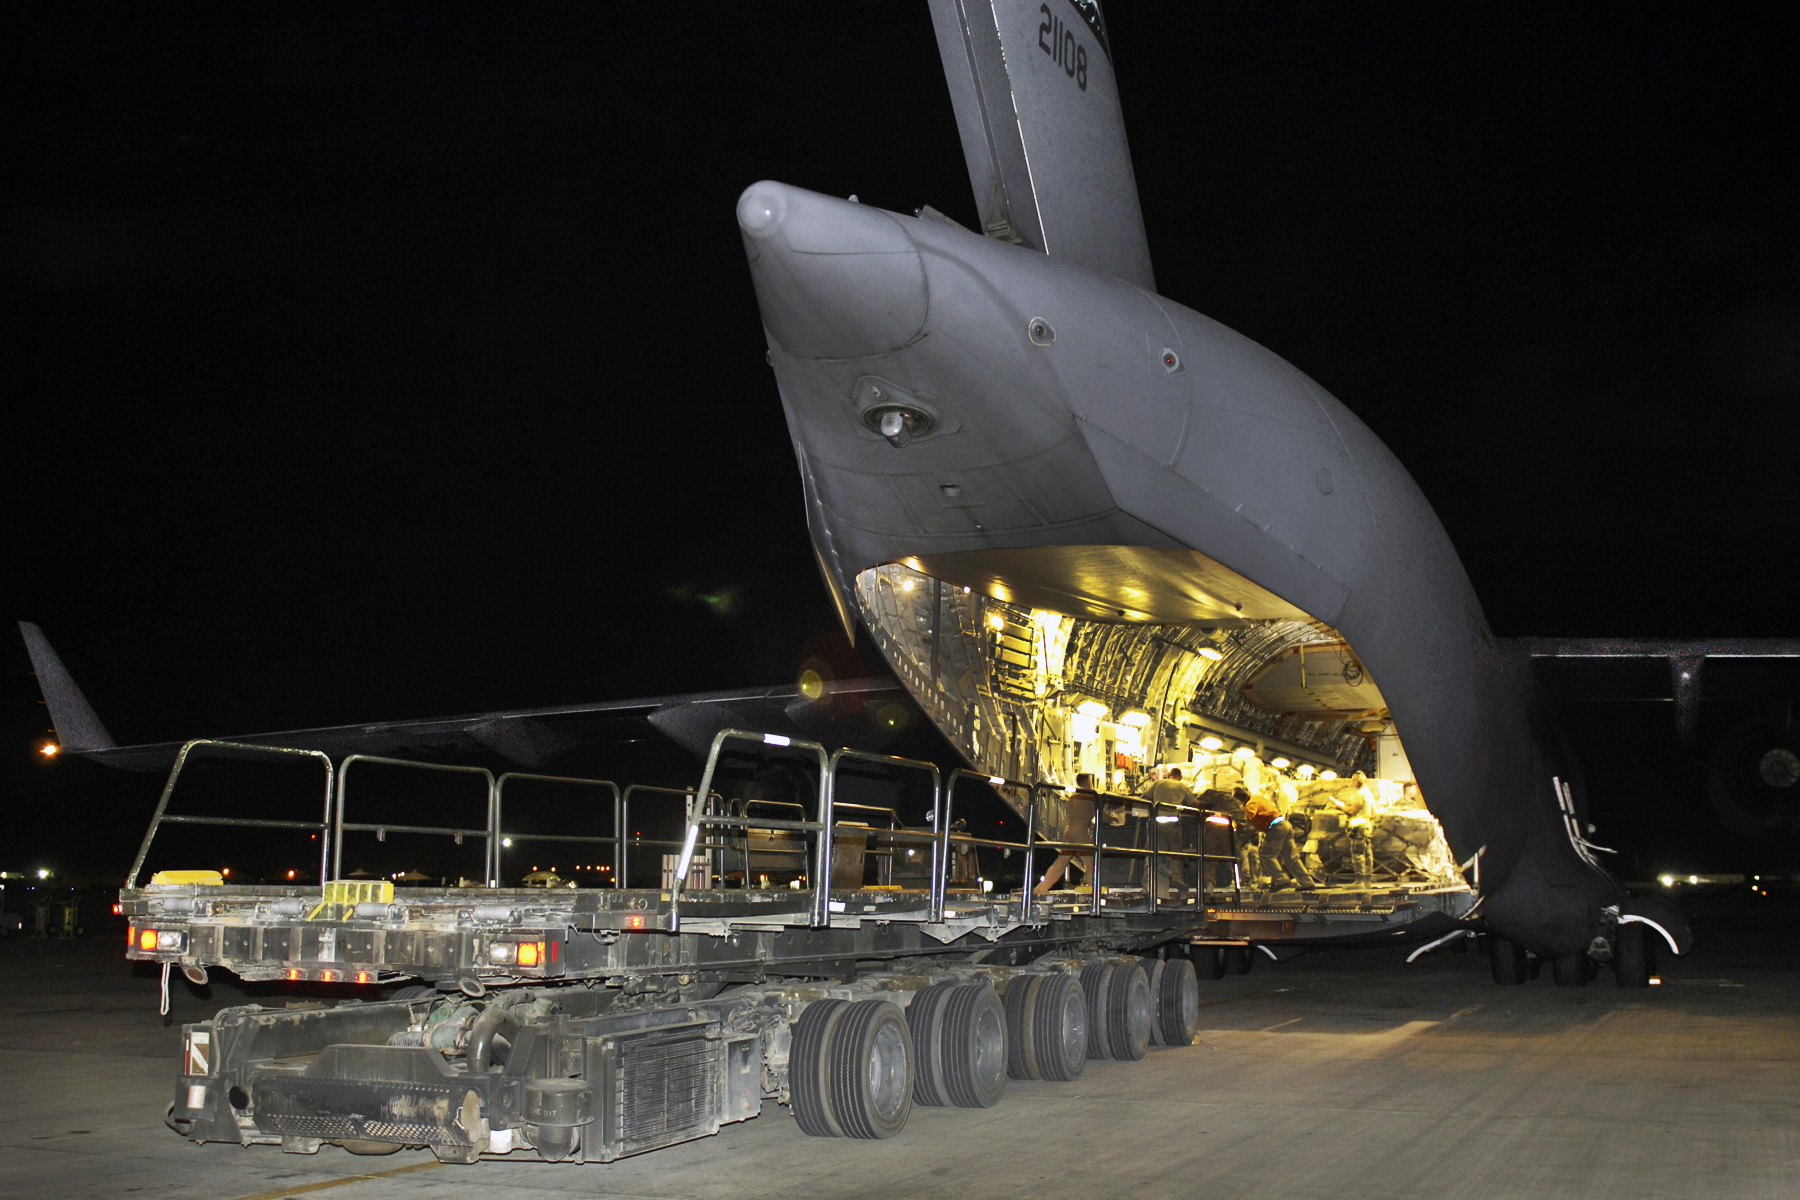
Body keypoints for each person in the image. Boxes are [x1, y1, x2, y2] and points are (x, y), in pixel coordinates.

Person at [1033, 773, 1100, 893]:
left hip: (1069, 831)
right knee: (1091, 864)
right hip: (1081, 832)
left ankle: (1041, 888)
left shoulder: (1072, 797)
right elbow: (1101, 815)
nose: (1091, 784)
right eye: (1090, 782)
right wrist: (1116, 818)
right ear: (1086, 783)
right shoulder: (1090, 796)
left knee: (1061, 862)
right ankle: (1092, 891)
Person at [1246, 791, 1315, 890]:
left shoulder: (1250, 803)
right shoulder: (1259, 798)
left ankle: (1281, 880)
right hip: (1284, 824)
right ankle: (1307, 883)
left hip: (1275, 827)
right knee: (1291, 858)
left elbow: (1247, 817)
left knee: (1267, 856)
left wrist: (1237, 822)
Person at [1145, 768, 1195, 895]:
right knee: (1176, 850)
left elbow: (1143, 798)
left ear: (1170, 776)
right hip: (1173, 822)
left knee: (1154, 851)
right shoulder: (1182, 786)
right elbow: (1195, 804)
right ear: (1179, 777)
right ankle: (1177, 877)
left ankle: (1149, 882)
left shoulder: (1158, 783)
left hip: (1157, 821)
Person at [1333, 771, 1377, 884]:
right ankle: (1367, 880)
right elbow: (1373, 814)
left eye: (1354, 780)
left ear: (1360, 780)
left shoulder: (1359, 794)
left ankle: (1359, 881)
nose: (1353, 782)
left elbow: (1353, 810)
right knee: (1367, 854)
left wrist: (1341, 807)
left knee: (1358, 854)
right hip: (1367, 827)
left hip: (1359, 828)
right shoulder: (1369, 793)